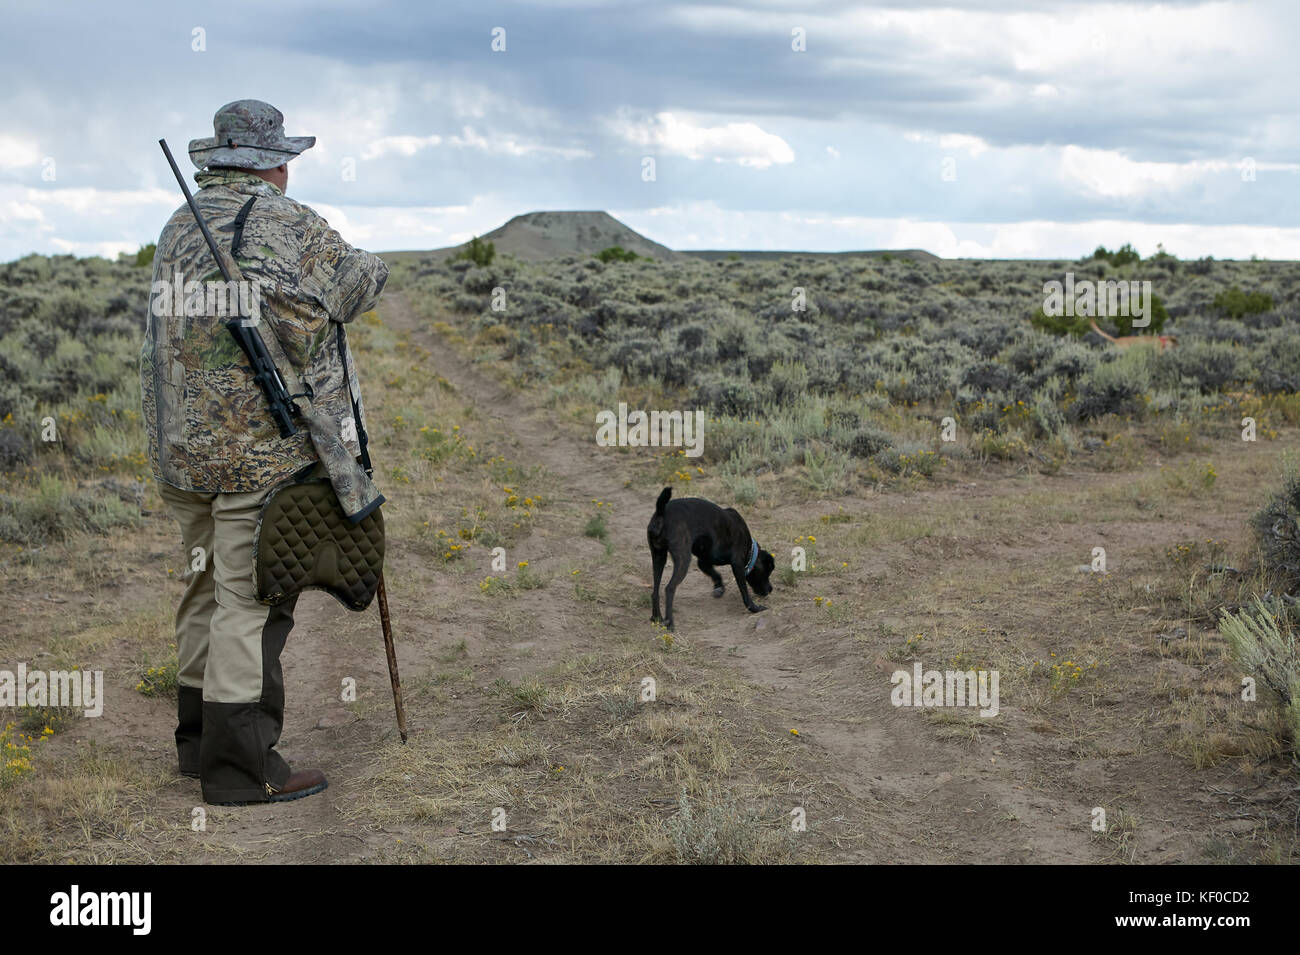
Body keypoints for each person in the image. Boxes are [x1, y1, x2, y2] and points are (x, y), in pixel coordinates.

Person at [141, 99, 388, 805]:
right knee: (248, 601)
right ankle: (241, 770)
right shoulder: (290, 221)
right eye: (285, 157)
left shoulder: (176, 224)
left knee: (204, 587)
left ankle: (198, 746)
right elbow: (359, 284)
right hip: (256, 453)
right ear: (272, 163)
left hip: (181, 451)